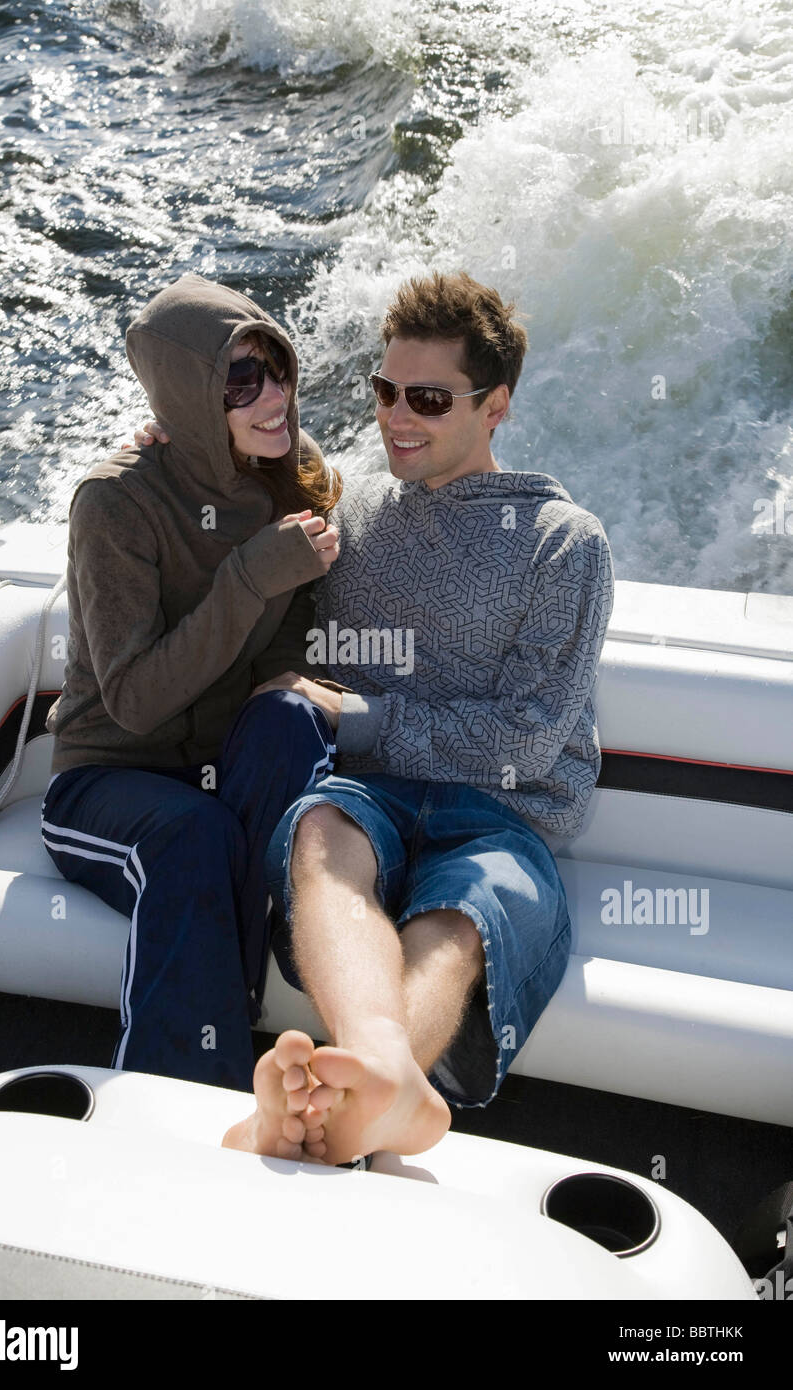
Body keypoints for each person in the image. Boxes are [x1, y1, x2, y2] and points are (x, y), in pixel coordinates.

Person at [135, 270, 615, 1168]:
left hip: (501, 815)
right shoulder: (347, 510)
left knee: (471, 905)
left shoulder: (565, 543)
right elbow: (243, 460)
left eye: (429, 398)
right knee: (320, 829)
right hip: (371, 801)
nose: (398, 416)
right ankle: (384, 1086)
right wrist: (178, 440)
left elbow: (522, 743)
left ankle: (371, 1080)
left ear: (495, 405)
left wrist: (362, 716)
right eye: (385, 391)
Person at [41, 273, 347, 1107]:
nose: (273, 397)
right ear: (187, 398)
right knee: (194, 835)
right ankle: (169, 1114)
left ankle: (288, 1001)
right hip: (109, 777)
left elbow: (289, 641)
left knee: (288, 721)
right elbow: (135, 700)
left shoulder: (294, 469)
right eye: (240, 383)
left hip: (226, 766)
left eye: (276, 370)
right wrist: (247, 576)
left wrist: (290, 672)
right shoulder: (116, 502)